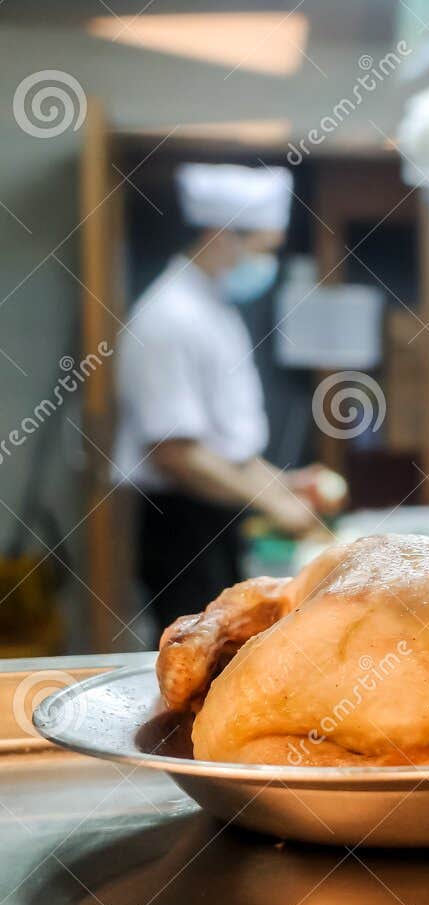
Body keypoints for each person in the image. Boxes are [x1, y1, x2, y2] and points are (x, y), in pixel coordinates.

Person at [114, 163, 341, 634]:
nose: (267, 265)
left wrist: (285, 484)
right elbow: (175, 452)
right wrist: (273, 503)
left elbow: (226, 447)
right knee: (192, 661)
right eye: (263, 250)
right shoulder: (169, 316)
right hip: (180, 526)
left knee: (224, 651)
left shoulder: (212, 308)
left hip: (215, 516)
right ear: (222, 235)